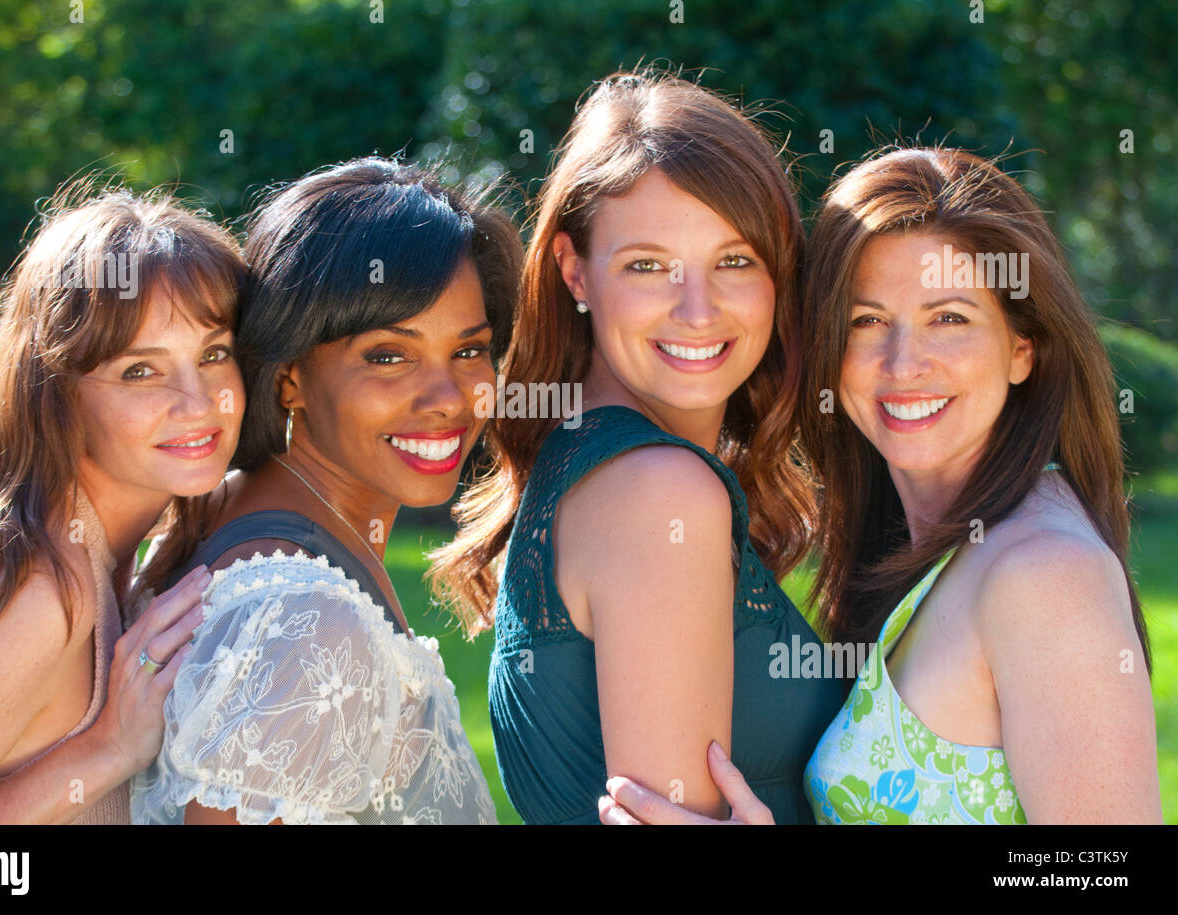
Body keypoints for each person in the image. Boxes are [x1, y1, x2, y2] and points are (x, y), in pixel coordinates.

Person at [600, 147, 1162, 824]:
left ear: (1023, 348)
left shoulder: (1045, 574)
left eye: (949, 318)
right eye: (866, 321)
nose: (903, 363)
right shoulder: (939, 553)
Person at [427, 68, 850, 824]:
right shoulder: (658, 492)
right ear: (574, 270)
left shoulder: (590, 460)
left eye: (735, 260)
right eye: (649, 265)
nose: (698, 308)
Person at [131, 158, 521, 824]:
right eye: (388, 356)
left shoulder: (239, 514)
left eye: (468, 350)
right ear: (288, 378)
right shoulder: (308, 626)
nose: (449, 397)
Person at [0, 183, 245, 823]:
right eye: (141, 370)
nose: (199, 401)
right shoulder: (44, 590)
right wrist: (108, 749)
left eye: (214, 354)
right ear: (56, 392)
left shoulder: (103, 549)